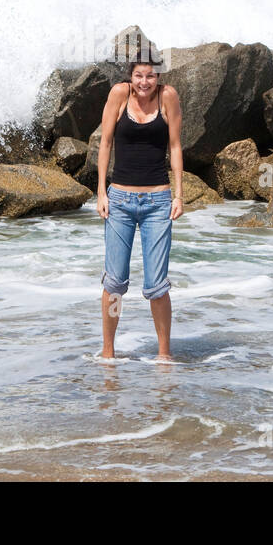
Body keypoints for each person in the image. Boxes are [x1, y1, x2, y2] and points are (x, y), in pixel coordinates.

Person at [95, 55, 183, 361]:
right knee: (115, 282)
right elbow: (105, 142)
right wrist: (101, 192)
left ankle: (164, 354)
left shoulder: (167, 97)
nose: (144, 82)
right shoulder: (119, 94)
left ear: (158, 78)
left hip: (158, 202)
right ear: (130, 77)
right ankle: (108, 352)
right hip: (119, 199)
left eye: (151, 76)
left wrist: (179, 195)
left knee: (157, 285)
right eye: (139, 76)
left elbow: (174, 146)